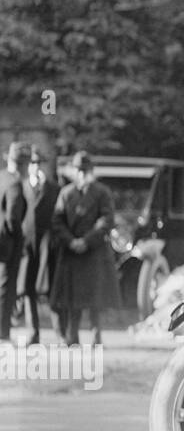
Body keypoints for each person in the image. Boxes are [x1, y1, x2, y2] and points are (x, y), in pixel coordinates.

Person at [51, 151, 122, 346]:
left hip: (94, 252)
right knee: (72, 299)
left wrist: (87, 240)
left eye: (85, 170)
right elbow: (57, 221)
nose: (82, 174)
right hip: (72, 252)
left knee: (95, 298)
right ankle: (72, 337)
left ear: (91, 171)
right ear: (74, 172)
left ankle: (96, 336)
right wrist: (71, 241)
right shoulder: (66, 193)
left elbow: (106, 219)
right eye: (79, 170)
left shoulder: (102, 193)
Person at [17, 147, 59, 344]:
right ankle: (33, 332)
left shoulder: (53, 188)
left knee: (50, 289)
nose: (36, 167)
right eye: (33, 163)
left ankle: (60, 333)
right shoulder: (22, 186)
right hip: (27, 246)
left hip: (47, 246)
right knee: (28, 289)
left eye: (39, 163)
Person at [0, 142, 31, 346]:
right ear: (22, 164)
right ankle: (2, 333)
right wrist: (21, 238)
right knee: (6, 288)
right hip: (7, 244)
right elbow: (13, 218)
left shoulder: (1, 177)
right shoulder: (14, 183)